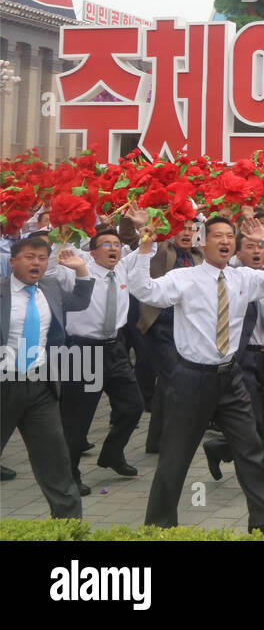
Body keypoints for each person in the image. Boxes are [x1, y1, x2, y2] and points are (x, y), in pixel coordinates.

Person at [126, 215, 264, 532]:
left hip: (231, 377)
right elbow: (144, 290)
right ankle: (159, 525)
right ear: (203, 241)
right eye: (218, 235)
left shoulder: (243, 278)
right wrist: (145, 248)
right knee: (175, 456)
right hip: (191, 379)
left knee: (251, 448)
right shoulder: (184, 278)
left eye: (230, 236)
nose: (225, 241)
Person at [0, 235, 93, 518]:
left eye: (42, 258)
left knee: (55, 460)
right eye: (29, 257)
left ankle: (69, 526)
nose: (36, 263)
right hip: (4, 383)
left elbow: (80, 301)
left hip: (41, 385)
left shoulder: (50, 288)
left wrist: (81, 269)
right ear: (13, 261)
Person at [51, 226, 145, 496]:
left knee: (133, 406)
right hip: (83, 350)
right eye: (106, 244)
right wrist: (62, 232)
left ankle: (112, 454)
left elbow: (144, 249)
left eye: (116, 244)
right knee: (77, 418)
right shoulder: (77, 270)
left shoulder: (122, 269)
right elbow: (54, 264)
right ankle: (69, 474)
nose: (114, 248)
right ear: (92, 252)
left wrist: (143, 229)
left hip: (115, 347)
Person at [201, 232, 264, 479]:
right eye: (250, 247)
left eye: (260, 247)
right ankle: (261, 478)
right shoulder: (232, 281)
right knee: (254, 422)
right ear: (238, 254)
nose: (257, 251)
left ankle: (220, 447)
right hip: (243, 359)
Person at [134, 216, 204, 454]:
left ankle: (157, 440)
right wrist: (145, 223)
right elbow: (138, 240)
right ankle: (172, 439)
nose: (186, 233)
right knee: (175, 379)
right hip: (161, 326)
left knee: (167, 384)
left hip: (187, 329)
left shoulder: (198, 256)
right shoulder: (163, 250)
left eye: (191, 230)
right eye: (182, 229)